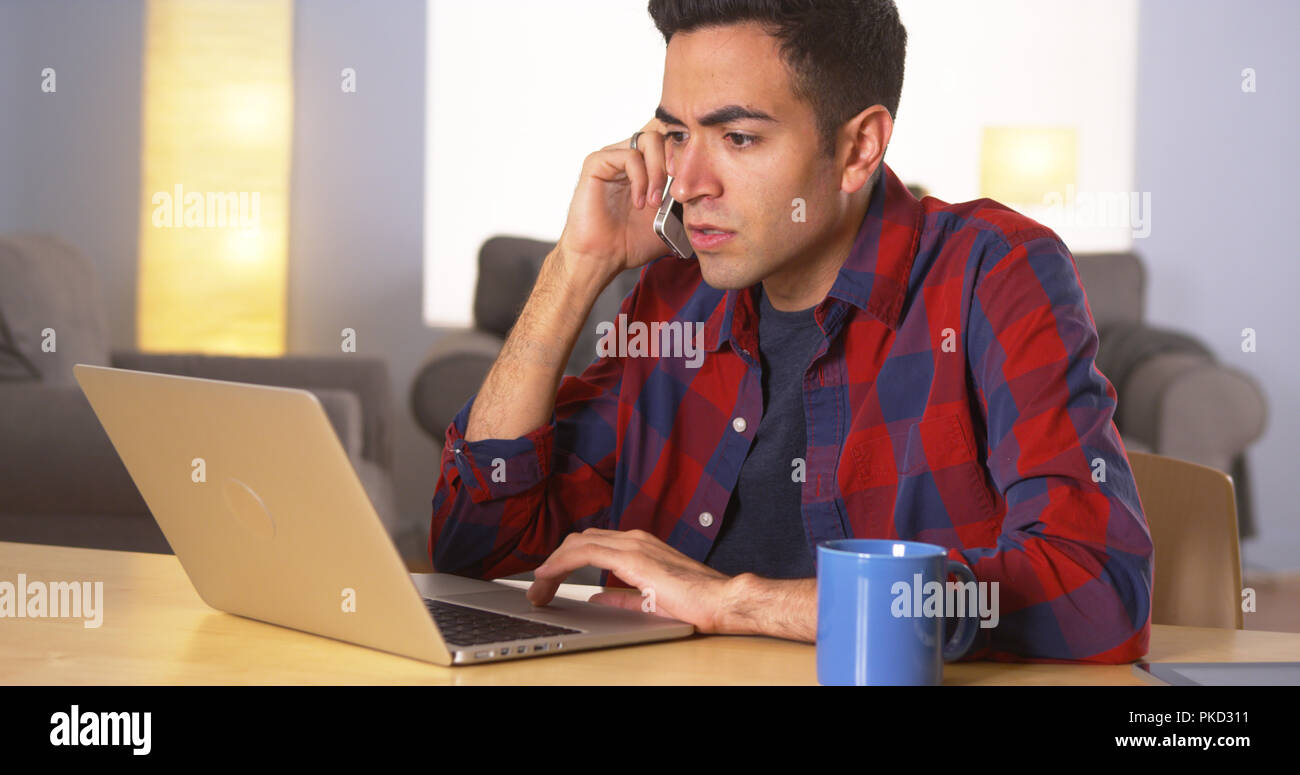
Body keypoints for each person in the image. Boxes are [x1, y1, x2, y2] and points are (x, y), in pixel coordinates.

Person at [429, 0, 1153, 662]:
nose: (687, 182)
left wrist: (734, 600)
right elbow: (474, 545)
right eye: (676, 134)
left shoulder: (991, 271)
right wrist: (576, 265)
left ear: (859, 148)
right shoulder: (673, 300)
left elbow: (1098, 591)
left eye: (738, 137)